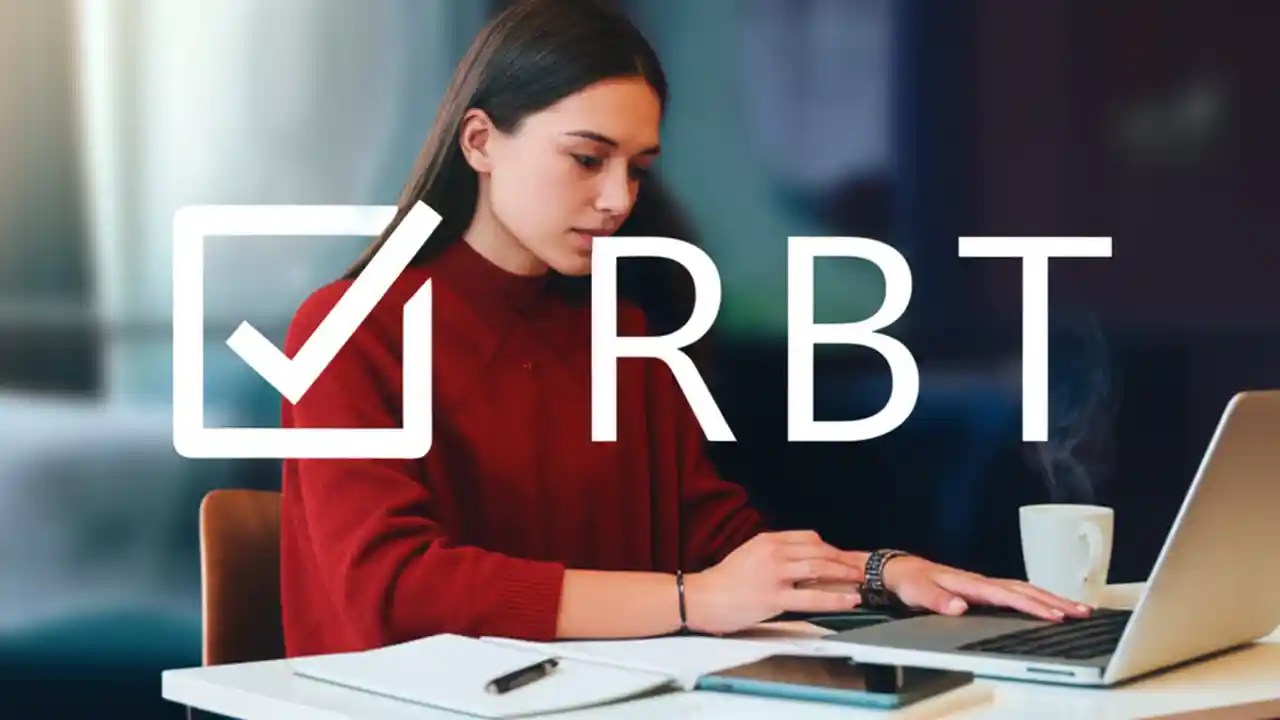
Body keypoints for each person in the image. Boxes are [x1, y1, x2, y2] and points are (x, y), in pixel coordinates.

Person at [279, 0, 1088, 657]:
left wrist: (888, 574)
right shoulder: (349, 328)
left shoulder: (624, 336)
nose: (618, 200)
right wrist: (690, 600)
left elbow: (720, 543)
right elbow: (392, 588)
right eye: (587, 158)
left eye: (636, 167)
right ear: (482, 141)